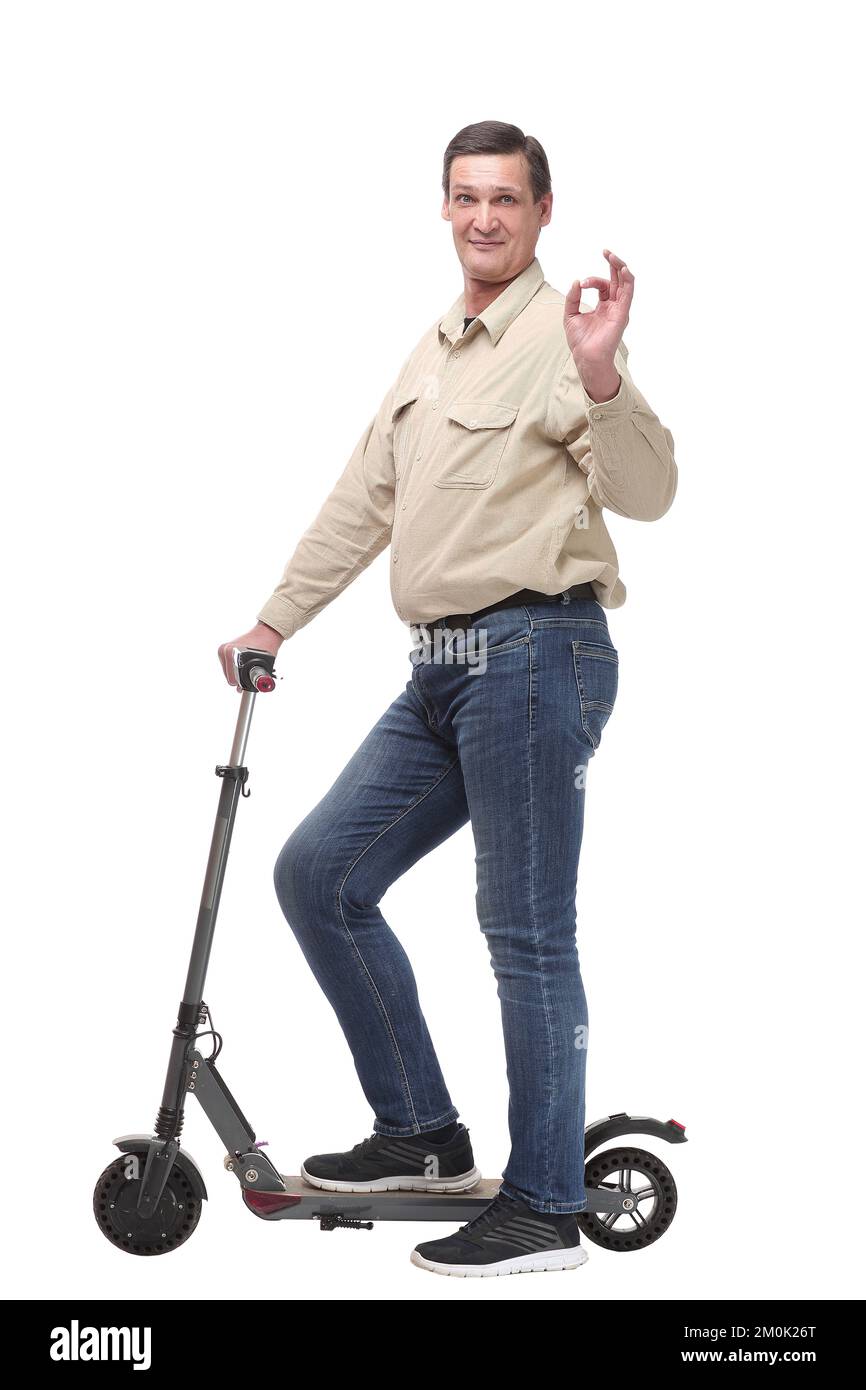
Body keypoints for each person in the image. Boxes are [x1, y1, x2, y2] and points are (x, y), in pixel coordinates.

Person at [218, 120, 677, 1277]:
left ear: (540, 212)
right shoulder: (433, 352)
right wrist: (276, 618)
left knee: (523, 933)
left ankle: (544, 1208)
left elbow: (649, 489)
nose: (484, 217)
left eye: (505, 199)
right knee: (319, 874)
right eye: (465, 197)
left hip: (534, 656)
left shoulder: (560, 339)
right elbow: (360, 500)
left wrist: (604, 375)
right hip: (440, 672)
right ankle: (421, 1132)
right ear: (443, 208)